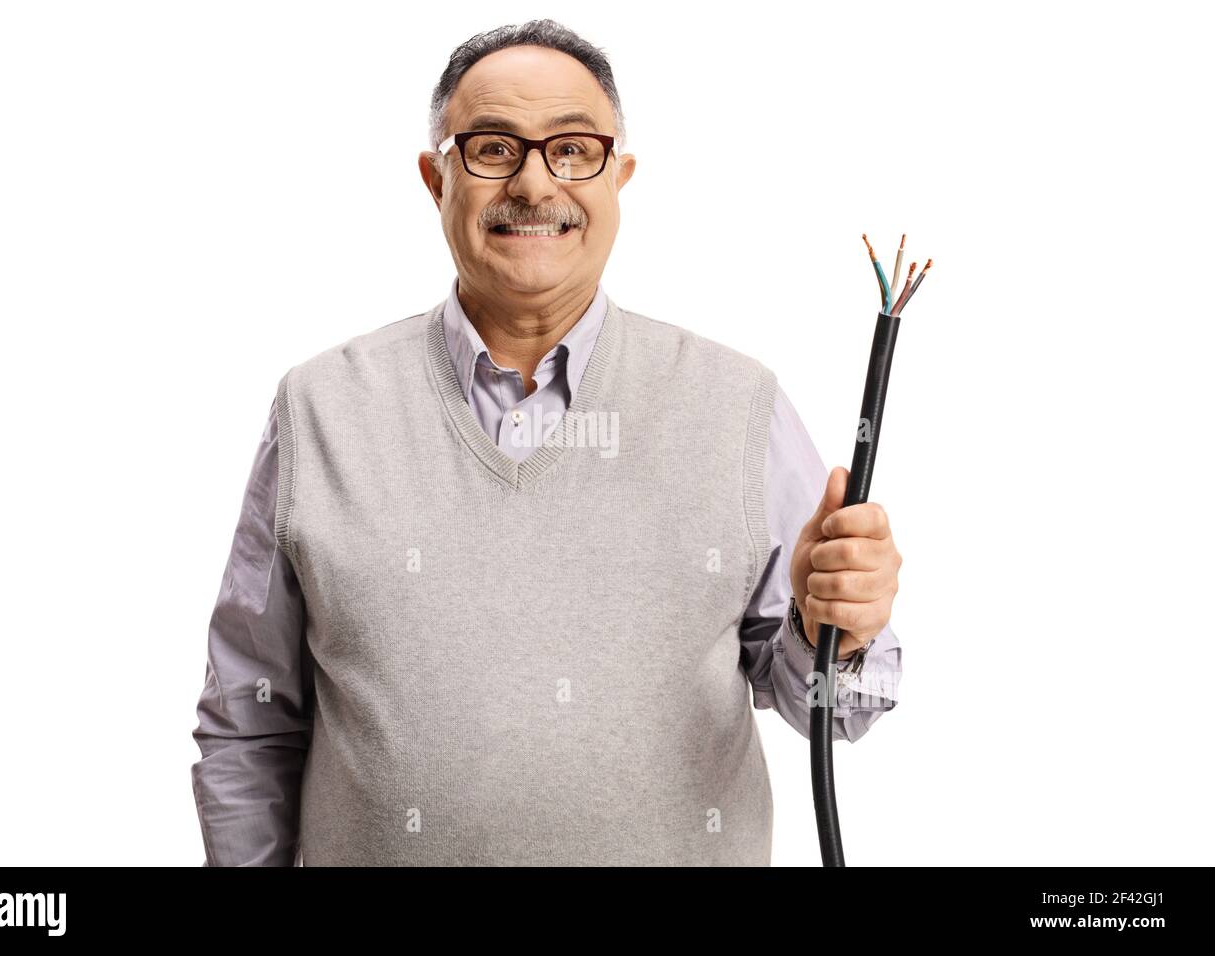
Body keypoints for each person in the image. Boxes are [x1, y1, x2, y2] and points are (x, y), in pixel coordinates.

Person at [191, 18, 903, 867]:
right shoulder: (318, 410)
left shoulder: (738, 404)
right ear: (436, 177)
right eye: (493, 148)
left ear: (618, 178)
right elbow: (248, 720)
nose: (535, 183)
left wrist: (839, 632)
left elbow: (832, 707)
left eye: (573, 150)